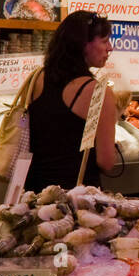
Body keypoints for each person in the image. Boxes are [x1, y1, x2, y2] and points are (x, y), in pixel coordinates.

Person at [25, 10, 117, 193]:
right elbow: (106, 162)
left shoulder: (36, 78)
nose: (110, 48)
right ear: (84, 44)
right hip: (78, 200)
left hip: (35, 194)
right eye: (105, 40)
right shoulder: (98, 92)